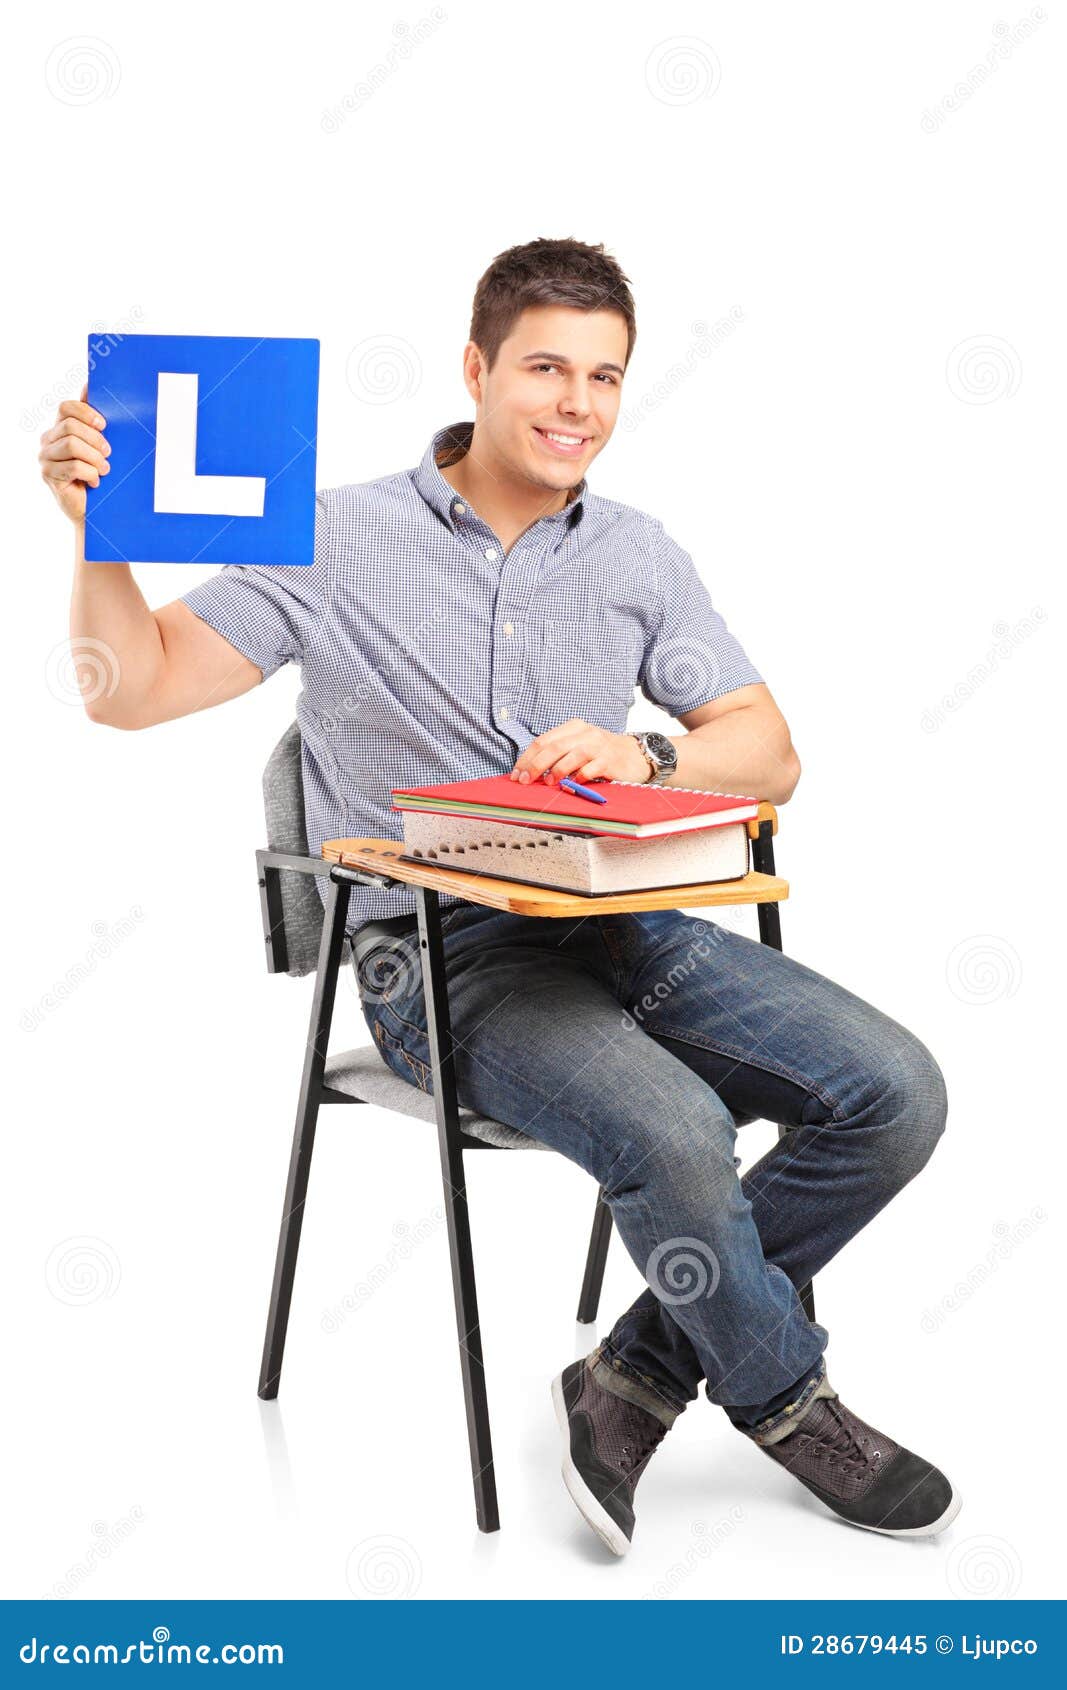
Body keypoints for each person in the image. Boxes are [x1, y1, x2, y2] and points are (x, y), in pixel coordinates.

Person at [41, 236, 958, 1556]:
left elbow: (770, 753)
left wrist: (649, 753)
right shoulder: (330, 533)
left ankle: (635, 1368)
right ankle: (784, 1398)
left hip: (622, 923)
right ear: (475, 368)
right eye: (545, 368)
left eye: (605, 376)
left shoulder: (636, 553)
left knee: (896, 1091)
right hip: (440, 956)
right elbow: (130, 690)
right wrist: (100, 540)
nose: (577, 403)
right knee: (680, 1130)